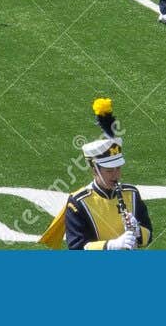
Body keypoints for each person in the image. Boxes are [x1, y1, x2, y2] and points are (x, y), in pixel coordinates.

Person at [43, 99, 153, 250]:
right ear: (95, 170)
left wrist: (137, 231)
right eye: (109, 171)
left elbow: (149, 235)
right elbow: (76, 246)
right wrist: (111, 245)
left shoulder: (131, 193)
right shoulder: (78, 202)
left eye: (118, 168)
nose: (115, 175)